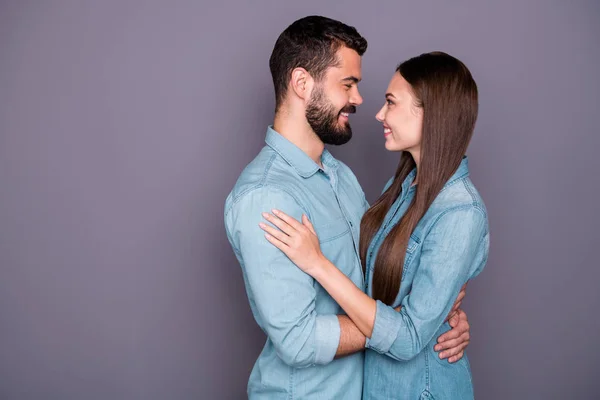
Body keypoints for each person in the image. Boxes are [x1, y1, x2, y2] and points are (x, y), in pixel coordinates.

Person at [225, 16, 471, 399]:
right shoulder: (265, 196)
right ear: (302, 84)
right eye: (348, 84)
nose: (358, 98)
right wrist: (415, 330)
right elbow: (300, 340)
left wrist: (430, 315)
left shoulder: (341, 177)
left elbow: (380, 272)